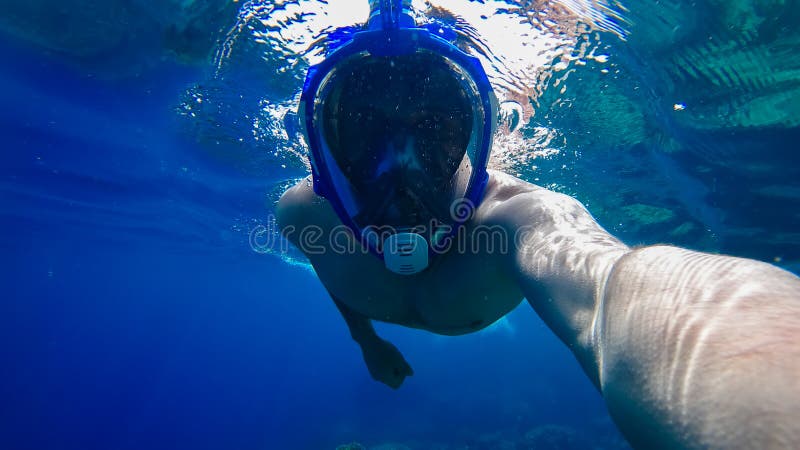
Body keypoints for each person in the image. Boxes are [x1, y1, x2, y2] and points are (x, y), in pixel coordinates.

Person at [277, 1, 800, 448]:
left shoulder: (516, 221)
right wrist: (366, 341)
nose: (401, 170)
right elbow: (332, 270)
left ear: (483, 135)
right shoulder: (302, 215)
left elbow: (610, 284)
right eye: (366, 131)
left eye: (436, 129)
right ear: (324, 144)